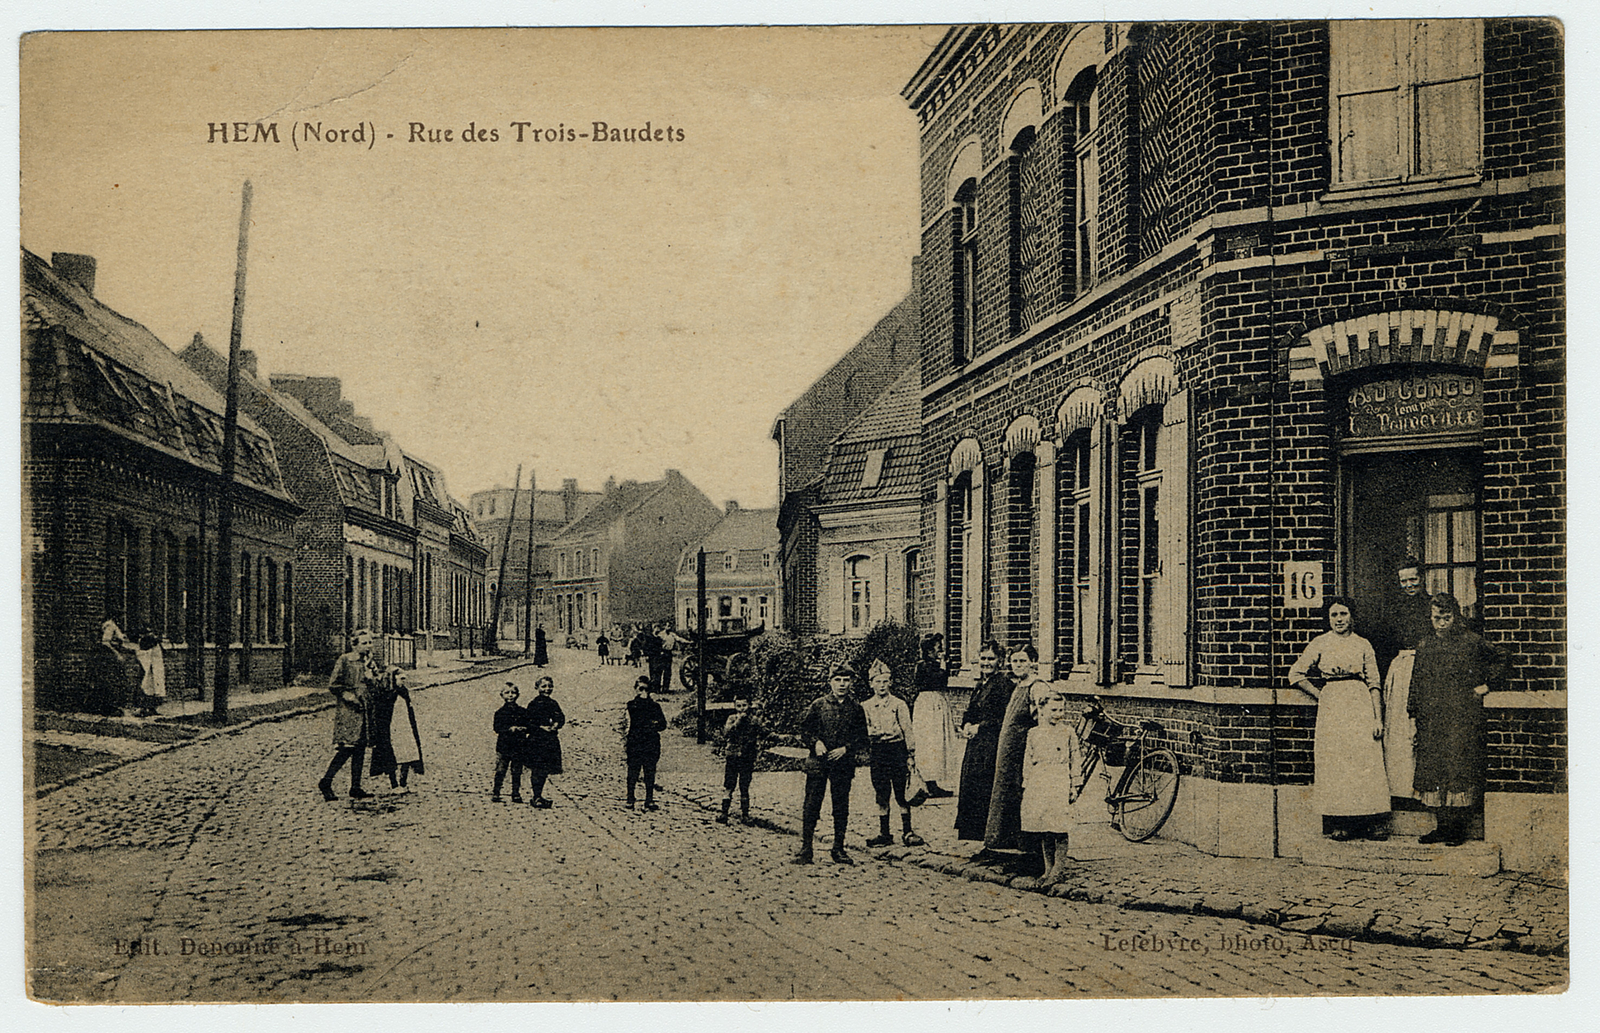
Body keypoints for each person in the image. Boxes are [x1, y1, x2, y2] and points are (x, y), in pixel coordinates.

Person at [1410, 593, 1508, 846]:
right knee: (1434, 771)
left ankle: (1457, 829)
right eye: (1436, 618)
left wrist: (1486, 685)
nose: (1441, 623)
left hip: (1460, 717)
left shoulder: (1470, 641)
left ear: (1455, 616)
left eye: (1446, 617)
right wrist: (1414, 712)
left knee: (1458, 769)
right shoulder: (1425, 645)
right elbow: (1417, 680)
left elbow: (1502, 657)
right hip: (1432, 718)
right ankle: (1441, 827)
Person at [1288, 597, 1389, 841]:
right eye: (1334, 615)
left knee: (1364, 761)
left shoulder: (1363, 644)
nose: (1339, 619)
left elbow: (1374, 683)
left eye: (1343, 614)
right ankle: (1340, 823)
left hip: (1359, 703)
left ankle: (1372, 822)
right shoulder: (1320, 643)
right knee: (1337, 764)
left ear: (1352, 616)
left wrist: (1378, 718)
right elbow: (1296, 673)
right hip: (1333, 705)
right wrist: (1321, 695)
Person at [792, 662, 869, 865]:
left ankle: (839, 848)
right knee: (811, 805)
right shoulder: (818, 705)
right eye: (838, 680)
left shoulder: (856, 709)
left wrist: (846, 749)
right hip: (818, 763)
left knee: (840, 806)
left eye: (846, 680)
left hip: (843, 764)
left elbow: (863, 737)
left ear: (851, 682)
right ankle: (806, 848)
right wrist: (816, 743)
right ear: (830, 682)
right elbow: (805, 730)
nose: (842, 684)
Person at [1380, 558, 1434, 801]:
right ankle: (1401, 789)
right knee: (1400, 727)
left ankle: (1427, 792)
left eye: (1413, 579)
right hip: (1402, 670)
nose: (1409, 585)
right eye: (1404, 581)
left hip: (1427, 668)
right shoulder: (1393, 608)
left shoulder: (1433, 606)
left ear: (1422, 579)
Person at [985, 642, 1044, 855]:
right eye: (1015, 661)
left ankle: (1029, 849)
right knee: (1006, 795)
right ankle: (1007, 844)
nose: (1018, 665)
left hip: (1022, 754)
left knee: (1022, 796)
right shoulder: (1018, 685)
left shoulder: (1037, 687)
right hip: (1008, 754)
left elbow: (1042, 721)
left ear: (1033, 663)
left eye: (1023, 661)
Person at [955, 641, 1013, 847]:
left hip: (992, 745)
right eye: (983, 659)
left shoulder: (1003, 685)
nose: (986, 663)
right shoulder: (981, 684)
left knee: (987, 790)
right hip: (976, 746)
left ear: (1000, 661)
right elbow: (970, 711)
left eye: (991, 659)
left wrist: (980, 727)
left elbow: (1005, 719)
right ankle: (981, 839)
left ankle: (994, 840)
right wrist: (967, 724)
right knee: (974, 789)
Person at [1020, 689, 1081, 884]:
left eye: (1061, 710)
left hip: (1059, 780)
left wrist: (1075, 785)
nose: (1058, 714)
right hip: (1040, 781)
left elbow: (1075, 759)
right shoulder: (1033, 733)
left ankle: (1058, 871)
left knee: (1059, 828)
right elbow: (1027, 760)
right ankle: (1047, 870)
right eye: (1053, 710)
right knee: (1045, 829)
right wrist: (1027, 783)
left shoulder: (1067, 732)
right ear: (1042, 709)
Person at [862, 659, 924, 848]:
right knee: (881, 792)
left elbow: (907, 730)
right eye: (877, 681)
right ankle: (884, 833)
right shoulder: (865, 706)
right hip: (878, 752)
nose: (881, 685)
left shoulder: (899, 704)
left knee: (901, 792)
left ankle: (907, 831)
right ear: (871, 683)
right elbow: (864, 730)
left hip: (897, 750)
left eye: (885, 681)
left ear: (890, 682)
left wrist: (910, 755)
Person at [318, 631, 378, 801]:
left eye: (370, 643)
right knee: (347, 748)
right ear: (355, 645)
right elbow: (334, 685)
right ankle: (326, 781)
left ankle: (355, 787)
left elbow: (377, 685)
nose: (368, 646)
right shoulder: (345, 660)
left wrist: (371, 676)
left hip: (365, 709)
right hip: (349, 711)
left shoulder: (370, 663)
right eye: (364, 643)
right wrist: (349, 697)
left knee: (360, 748)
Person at [911, 634, 958, 797]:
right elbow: (939, 680)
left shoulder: (932, 665)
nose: (941, 652)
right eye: (938, 649)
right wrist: (944, 666)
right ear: (929, 651)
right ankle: (927, 781)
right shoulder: (924, 666)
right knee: (929, 741)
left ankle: (932, 782)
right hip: (929, 705)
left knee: (936, 743)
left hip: (935, 702)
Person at [716, 694, 766, 824]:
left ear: (749, 706)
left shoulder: (753, 720)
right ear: (735, 706)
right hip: (732, 756)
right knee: (729, 784)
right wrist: (738, 721)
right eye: (738, 706)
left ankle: (745, 814)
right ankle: (724, 813)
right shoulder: (731, 719)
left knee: (745, 785)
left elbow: (762, 731)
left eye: (744, 705)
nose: (742, 709)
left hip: (747, 757)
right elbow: (727, 733)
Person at [624, 676, 668, 810]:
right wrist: (651, 723)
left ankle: (649, 799)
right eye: (640, 688)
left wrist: (653, 725)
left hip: (651, 743)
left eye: (646, 689)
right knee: (633, 771)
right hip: (635, 743)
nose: (643, 691)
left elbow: (662, 724)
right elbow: (636, 718)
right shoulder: (632, 705)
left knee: (650, 771)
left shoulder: (655, 706)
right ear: (635, 689)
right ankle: (630, 798)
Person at [524, 675, 566, 808]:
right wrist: (540, 727)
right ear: (537, 688)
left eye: (549, 686)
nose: (547, 689)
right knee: (537, 769)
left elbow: (560, 717)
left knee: (544, 770)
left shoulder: (553, 703)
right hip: (536, 741)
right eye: (543, 686)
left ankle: (539, 795)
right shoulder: (533, 704)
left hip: (550, 741)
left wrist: (556, 724)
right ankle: (536, 796)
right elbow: (528, 722)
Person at [491, 683, 531, 803]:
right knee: (500, 770)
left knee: (516, 770)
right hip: (504, 746)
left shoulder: (523, 711)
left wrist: (523, 728)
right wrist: (509, 729)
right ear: (502, 695)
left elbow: (529, 726)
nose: (510, 695)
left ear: (517, 695)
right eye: (507, 693)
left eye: (513, 693)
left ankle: (516, 793)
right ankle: (496, 792)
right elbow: (497, 728)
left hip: (519, 746)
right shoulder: (499, 712)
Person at [386, 673, 425, 791]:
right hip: (392, 728)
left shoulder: (404, 692)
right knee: (391, 756)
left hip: (405, 727)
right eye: (401, 678)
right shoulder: (388, 694)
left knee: (408, 753)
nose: (403, 681)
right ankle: (394, 784)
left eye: (404, 679)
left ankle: (403, 782)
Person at [134, 631, 166, 717]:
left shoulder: (157, 647)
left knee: (156, 686)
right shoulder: (145, 645)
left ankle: (152, 708)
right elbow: (143, 655)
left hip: (155, 668)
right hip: (148, 667)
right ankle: (142, 708)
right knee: (145, 685)